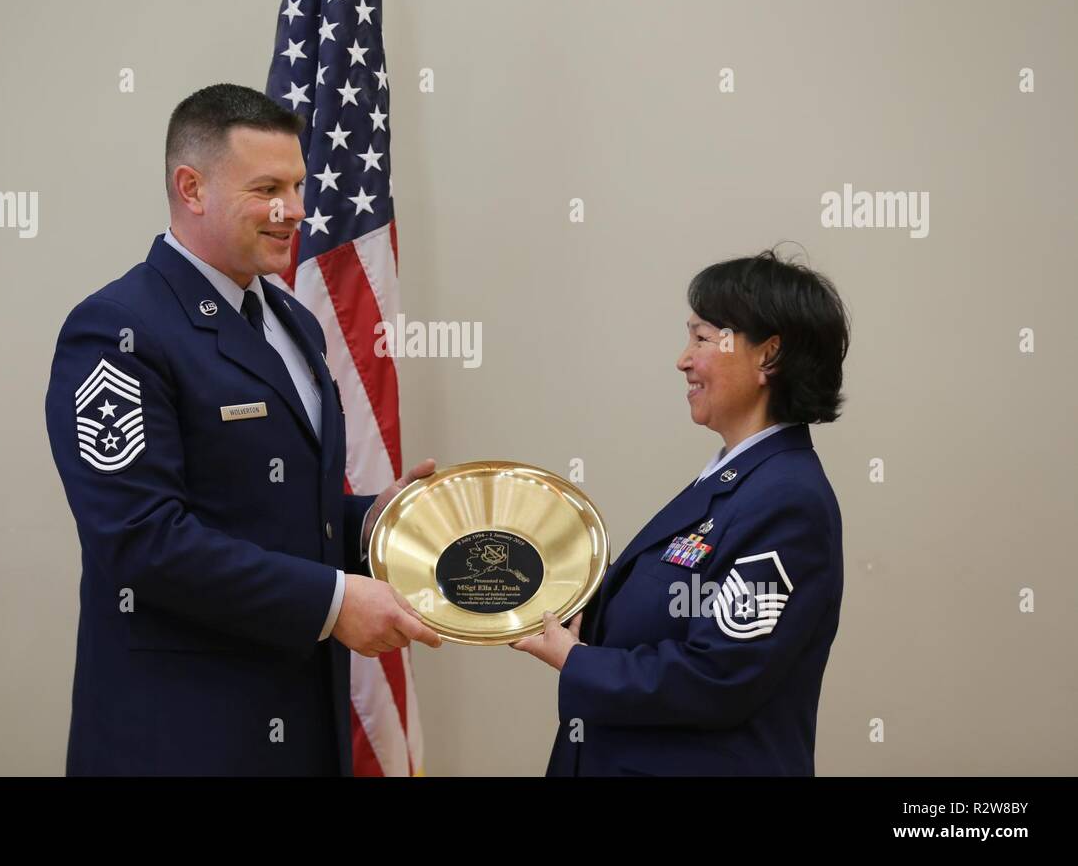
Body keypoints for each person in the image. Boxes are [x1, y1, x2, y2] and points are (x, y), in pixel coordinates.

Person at [44, 83, 441, 776]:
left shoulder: (293, 322)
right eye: (267, 189)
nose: (294, 211)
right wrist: (335, 599)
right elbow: (143, 541)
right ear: (191, 188)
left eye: (296, 184)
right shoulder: (117, 332)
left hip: (302, 724)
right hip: (183, 737)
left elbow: (266, 507)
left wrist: (368, 522)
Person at [514, 247, 850, 776]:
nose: (683, 360)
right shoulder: (735, 482)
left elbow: (718, 676)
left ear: (769, 356)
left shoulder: (788, 501)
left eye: (701, 338)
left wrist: (572, 658)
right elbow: (661, 620)